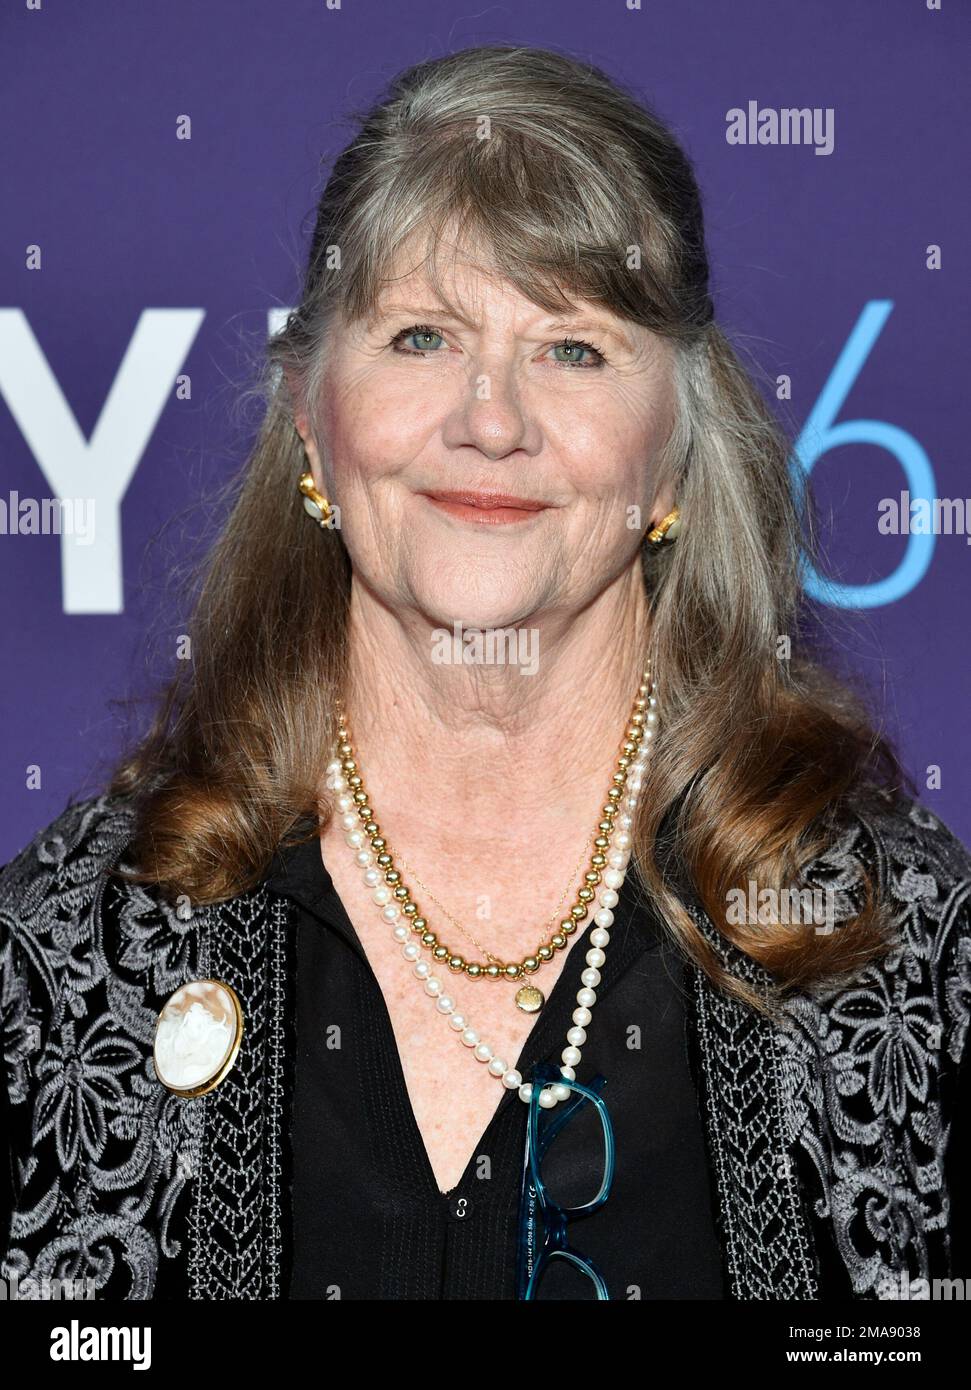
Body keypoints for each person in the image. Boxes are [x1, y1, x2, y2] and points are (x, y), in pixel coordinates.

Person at [1, 43, 969, 1303]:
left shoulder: (894, 951)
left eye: (571, 348)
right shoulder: (68, 957)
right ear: (309, 416)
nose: (490, 418)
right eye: (419, 335)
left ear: (672, 459)